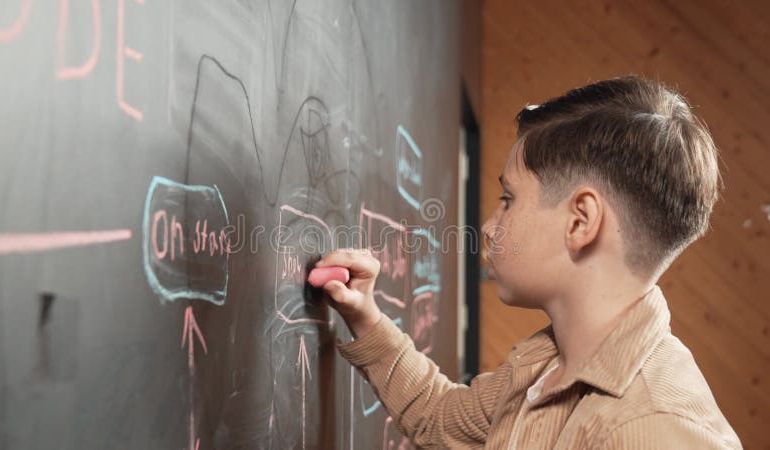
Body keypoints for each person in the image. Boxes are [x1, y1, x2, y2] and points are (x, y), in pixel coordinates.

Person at [317, 76, 743, 449]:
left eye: (508, 199)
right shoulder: (550, 364)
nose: (489, 226)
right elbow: (441, 416)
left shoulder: (659, 429)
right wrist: (365, 316)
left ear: (580, 221)